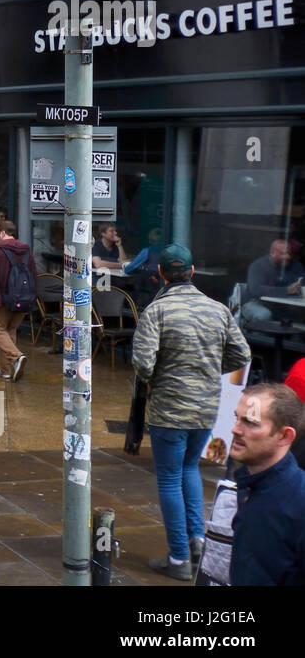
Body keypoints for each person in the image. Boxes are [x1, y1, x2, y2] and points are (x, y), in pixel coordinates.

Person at [133, 244, 251, 580]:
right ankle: (198, 540)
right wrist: (211, 369)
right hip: (206, 407)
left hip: (169, 409)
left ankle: (178, 558)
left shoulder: (157, 311)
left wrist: (160, 379)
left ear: (160, 275)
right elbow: (241, 354)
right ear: (193, 271)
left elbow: (142, 363)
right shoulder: (217, 310)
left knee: (170, 479)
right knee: (189, 470)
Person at [228, 383, 305, 585]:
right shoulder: (250, 485)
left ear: (284, 436)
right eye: (236, 418)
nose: (235, 429)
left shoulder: (298, 502)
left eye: (250, 422)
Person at [0, 219, 36, 382]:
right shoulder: (26, 250)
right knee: (10, 330)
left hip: (2, 298)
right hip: (23, 299)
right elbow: (34, 275)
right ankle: (6, 370)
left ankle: (17, 357)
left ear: (3, 233)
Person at [241, 238, 305, 324]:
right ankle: (259, 337)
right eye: (283, 253)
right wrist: (287, 290)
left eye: (290, 253)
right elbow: (255, 290)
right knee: (264, 315)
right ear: (272, 253)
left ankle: (290, 337)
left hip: (285, 304)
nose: (288, 256)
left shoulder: (296, 266)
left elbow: (302, 285)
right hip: (256, 302)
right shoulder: (259, 266)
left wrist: (299, 287)